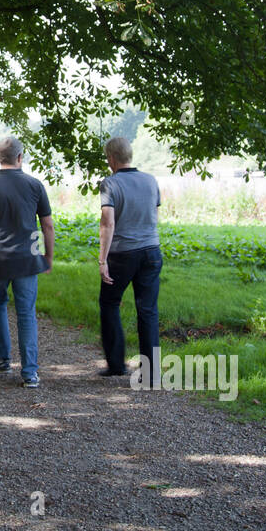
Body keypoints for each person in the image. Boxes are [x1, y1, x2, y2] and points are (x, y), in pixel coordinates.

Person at [0, 135, 54, 388]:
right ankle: (30, 373)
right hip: (28, 259)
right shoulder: (35, 185)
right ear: (21, 157)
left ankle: (1, 359)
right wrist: (48, 256)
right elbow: (48, 225)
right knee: (26, 313)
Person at [97, 136, 163, 385]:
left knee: (110, 303)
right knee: (148, 310)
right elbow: (154, 215)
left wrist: (103, 260)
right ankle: (151, 372)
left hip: (122, 254)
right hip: (151, 252)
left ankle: (116, 366)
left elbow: (108, 222)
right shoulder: (150, 180)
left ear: (111, 159)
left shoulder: (110, 184)